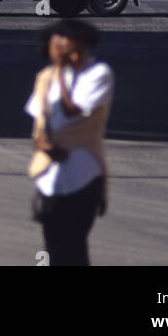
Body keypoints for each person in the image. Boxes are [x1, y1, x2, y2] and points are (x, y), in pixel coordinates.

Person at [26, 20, 113, 267]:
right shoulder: (44, 78)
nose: (70, 54)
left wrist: (62, 77)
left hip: (84, 178)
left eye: (75, 48)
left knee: (74, 248)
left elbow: (73, 111)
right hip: (51, 179)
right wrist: (42, 145)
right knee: (54, 248)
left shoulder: (98, 75)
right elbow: (39, 124)